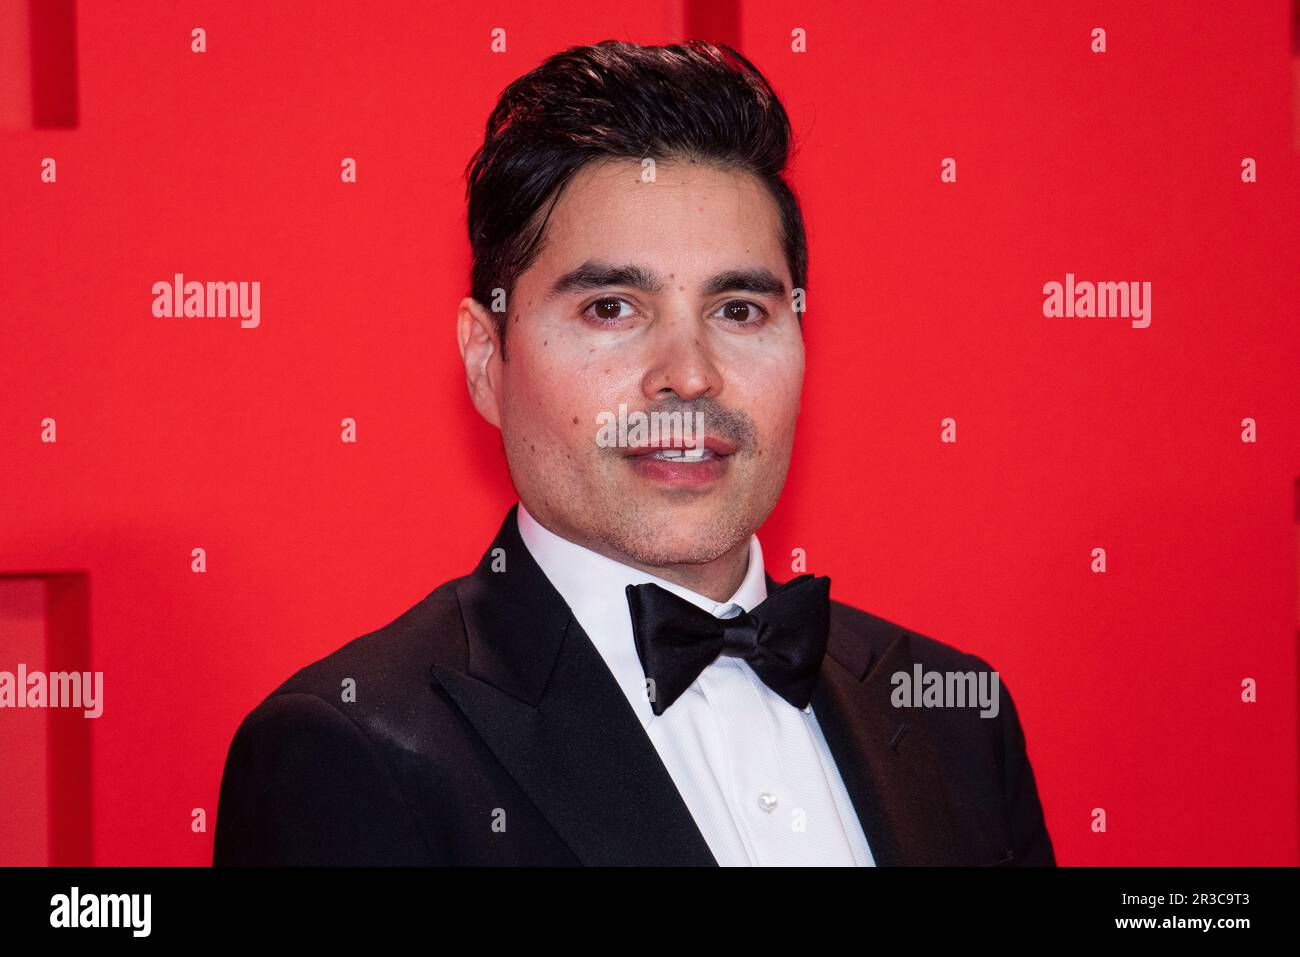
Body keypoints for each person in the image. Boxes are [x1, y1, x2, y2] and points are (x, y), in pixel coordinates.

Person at [212, 39, 1055, 866]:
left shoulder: (956, 713)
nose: (689, 376)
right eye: (612, 308)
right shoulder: (348, 752)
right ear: (486, 361)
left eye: (738, 310)